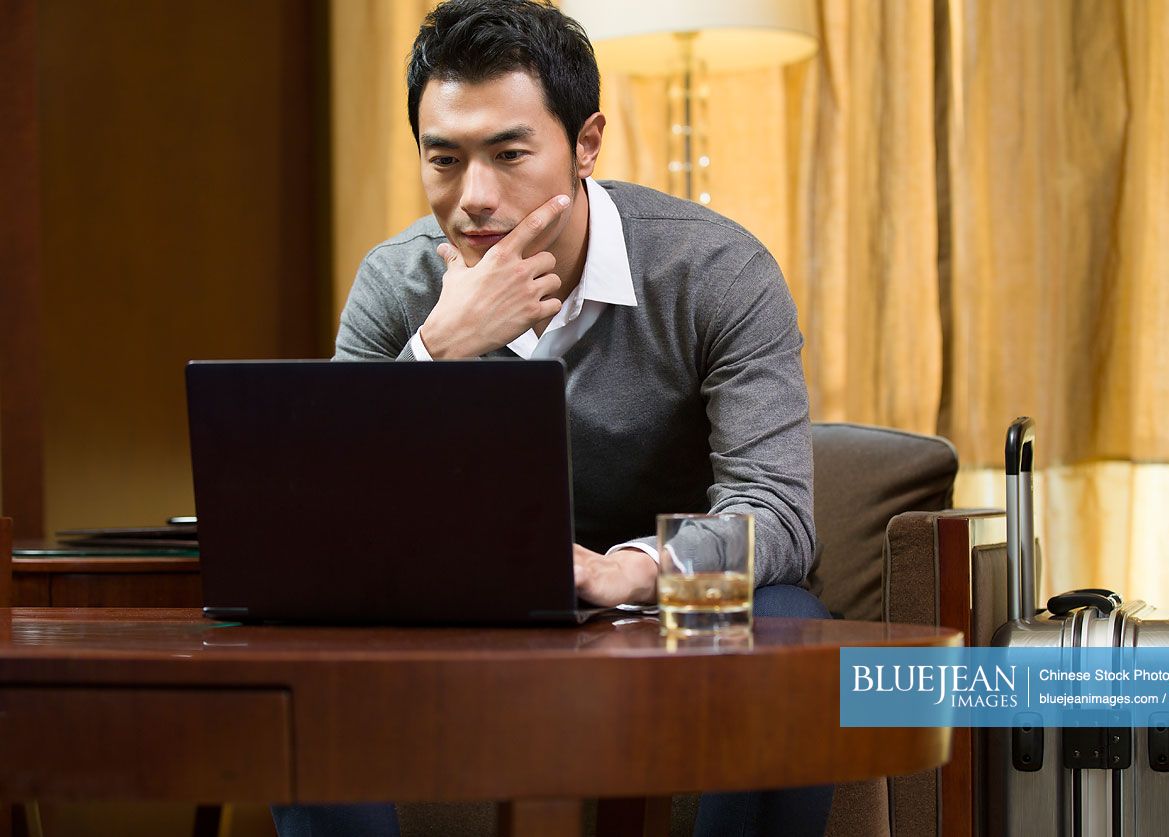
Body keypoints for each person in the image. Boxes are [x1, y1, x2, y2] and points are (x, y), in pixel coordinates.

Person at [273, 1, 834, 835]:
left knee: (792, 634)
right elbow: (325, 519)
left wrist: (632, 568)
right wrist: (437, 349)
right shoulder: (397, 284)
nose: (474, 198)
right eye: (444, 159)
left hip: (665, 609)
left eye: (509, 154)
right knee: (297, 648)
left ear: (585, 143)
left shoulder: (714, 269)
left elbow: (778, 513)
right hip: (460, 608)